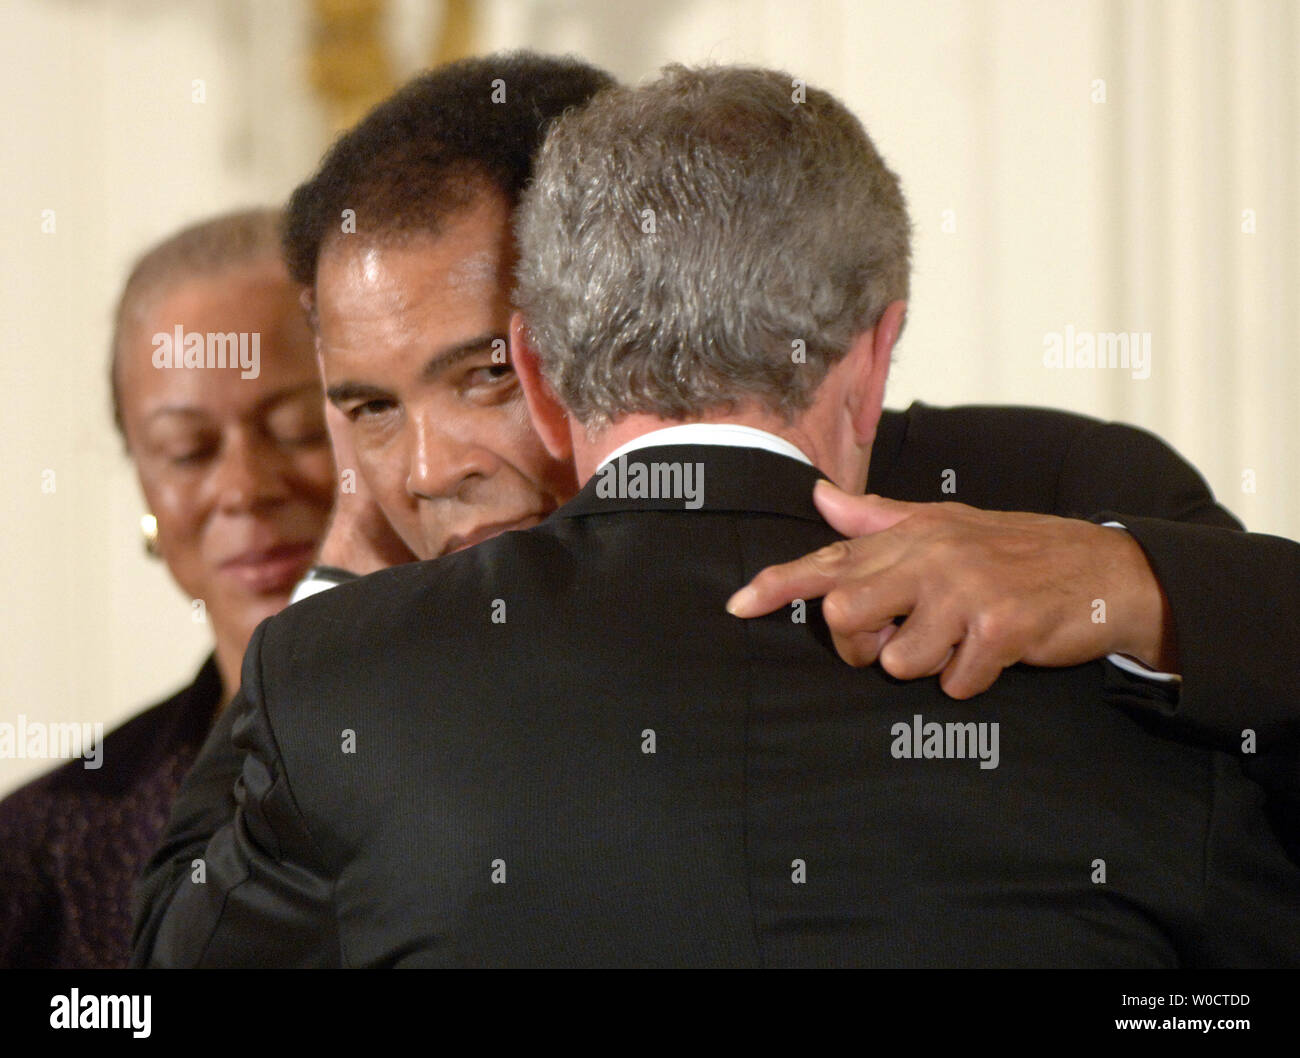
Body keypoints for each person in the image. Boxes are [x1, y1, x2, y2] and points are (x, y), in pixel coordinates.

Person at [132, 65, 1300, 966]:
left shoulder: (1061, 486)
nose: (427, 471)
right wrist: (338, 582)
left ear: (563, 330)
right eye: (369, 409)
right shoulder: (354, 664)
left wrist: (1136, 585)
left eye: (481, 374)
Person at [0, 209, 335, 968]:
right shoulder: (32, 852)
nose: (245, 488)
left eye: (296, 427)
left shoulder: (519, 759)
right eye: (188, 451)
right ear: (141, 476)